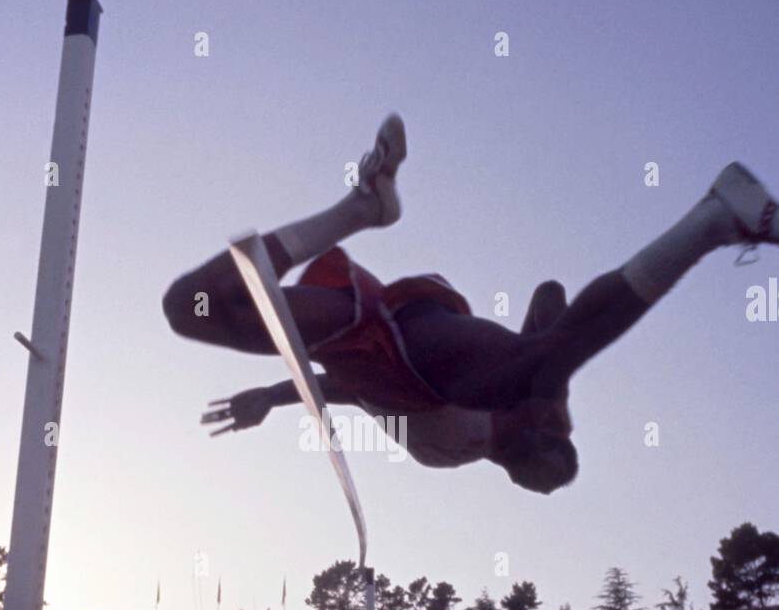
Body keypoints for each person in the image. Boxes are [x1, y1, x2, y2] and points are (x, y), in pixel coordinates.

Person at [163, 114, 779, 494]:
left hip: (359, 340)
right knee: (541, 367)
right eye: (560, 438)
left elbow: (353, 394)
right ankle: (712, 221)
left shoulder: (448, 447)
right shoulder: (540, 388)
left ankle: (361, 210)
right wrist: (547, 334)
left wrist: (272, 397)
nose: (549, 421)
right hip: (415, 319)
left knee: (188, 307)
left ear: (513, 461)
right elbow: (548, 294)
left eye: (542, 459)